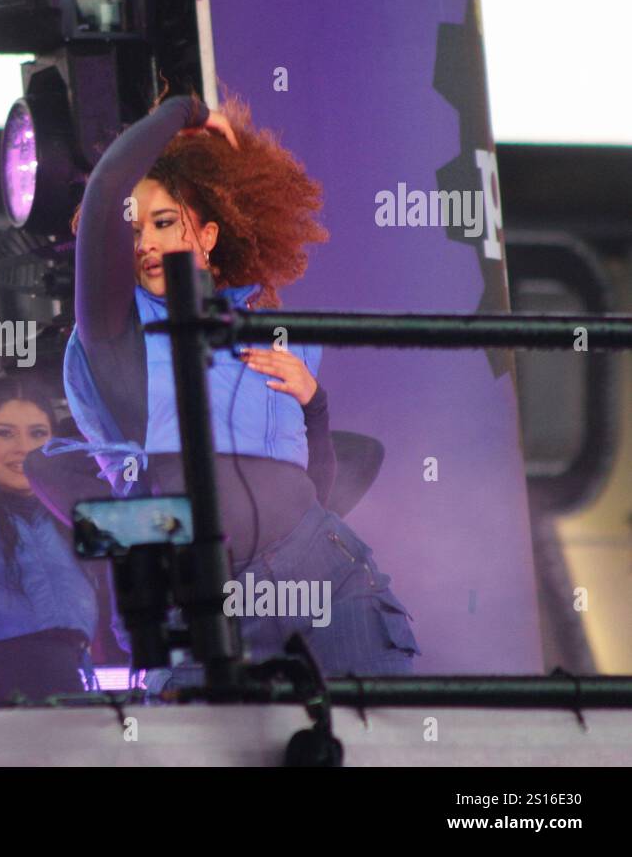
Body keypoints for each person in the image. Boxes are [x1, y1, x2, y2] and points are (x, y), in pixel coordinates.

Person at [38, 91, 419, 678]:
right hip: (195, 601)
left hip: (327, 577)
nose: (146, 243)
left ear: (210, 236)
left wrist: (314, 405)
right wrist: (184, 111)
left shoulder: (275, 329)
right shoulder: (111, 328)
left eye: (164, 222)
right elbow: (106, 190)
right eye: (133, 231)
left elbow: (311, 487)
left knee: (377, 748)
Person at [0, 376, 99, 703]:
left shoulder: (73, 513)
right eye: (4, 433)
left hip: (72, 681)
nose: (24, 449)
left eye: (38, 433)